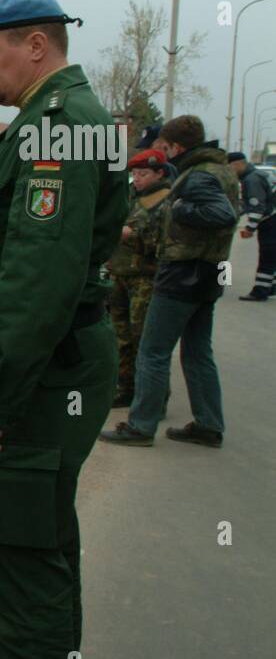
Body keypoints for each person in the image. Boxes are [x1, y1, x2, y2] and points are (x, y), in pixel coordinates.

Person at [0, 0, 126, 659]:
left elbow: (38, 284)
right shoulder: (55, 119)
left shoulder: (56, 127)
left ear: (36, 46)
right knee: (40, 538)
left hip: (44, 375)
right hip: (56, 367)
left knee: (24, 547)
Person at [100, 116, 239, 449]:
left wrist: (179, 207)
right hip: (208, 271)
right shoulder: (221, 171)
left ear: (175, 147)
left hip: (183, 273)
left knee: (152, 350)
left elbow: (224, 215)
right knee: (196, 351)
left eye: (163, 146)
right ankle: (208, 424)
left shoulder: (199, 175)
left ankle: (140, 425)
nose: (161, 151)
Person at [106, 148, 173, 406]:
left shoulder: (165, 200)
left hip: (146, 278)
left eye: (143, 173)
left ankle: (154, 396)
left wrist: (128, 234)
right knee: (120, 335)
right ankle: (126, 387)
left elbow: (163, 240)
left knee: (144, 339)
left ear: (159, 173)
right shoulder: (131, 196)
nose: (138, 178)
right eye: (134, 173)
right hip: (120, 273)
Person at [229, 151, 275, 301]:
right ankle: (270, 286)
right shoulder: (255, 175)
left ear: (238, 164)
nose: (230, 172)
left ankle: (260, 291)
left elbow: (257, 206)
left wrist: (250, 228)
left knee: (268, 256)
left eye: (230, 168)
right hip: (271, 218)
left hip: (271, 221)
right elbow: (247, 203)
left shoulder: (251, 179)